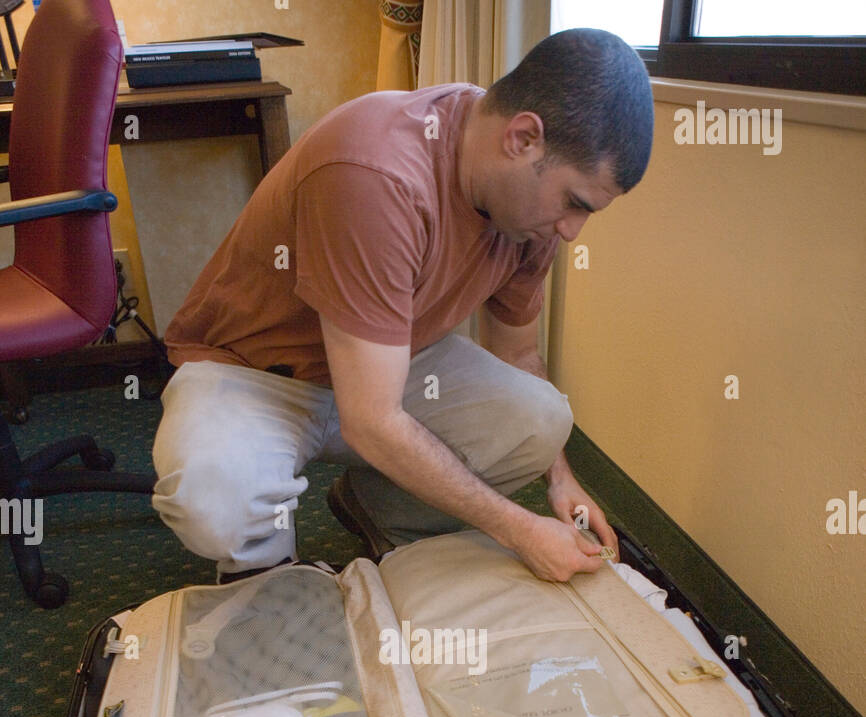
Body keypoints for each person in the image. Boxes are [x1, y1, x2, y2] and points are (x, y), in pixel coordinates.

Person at [152, 27, 654, 582]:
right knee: (214, 499)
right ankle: (268, 572)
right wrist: (517, 528)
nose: (573, 230)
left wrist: (561, 480)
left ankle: (381, 513)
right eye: (574, 202)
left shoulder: (532, 223)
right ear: (522, 138)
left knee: (543, 420)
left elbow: (518, 355)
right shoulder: (376, 172)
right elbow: (371, 421)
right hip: (257, 371)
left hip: (392, 366)